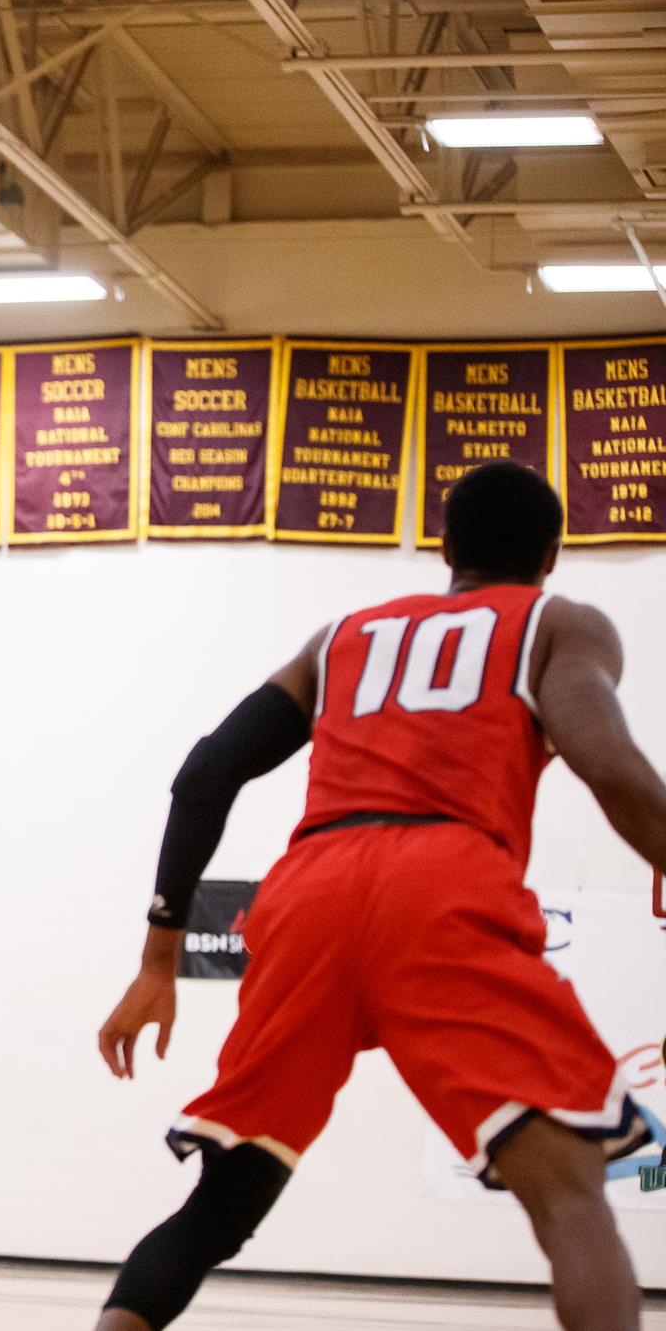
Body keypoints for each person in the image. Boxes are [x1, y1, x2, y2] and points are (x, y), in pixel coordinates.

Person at [94, 462, 656, 1331]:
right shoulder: (558, 623)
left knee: (225, 1202)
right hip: (445, 881)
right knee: (571, 1198)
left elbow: (206, 772)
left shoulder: (341, 637)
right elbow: (609, 764)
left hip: (308, 892)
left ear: (444, 548)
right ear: (552, 554)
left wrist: (157, 960)